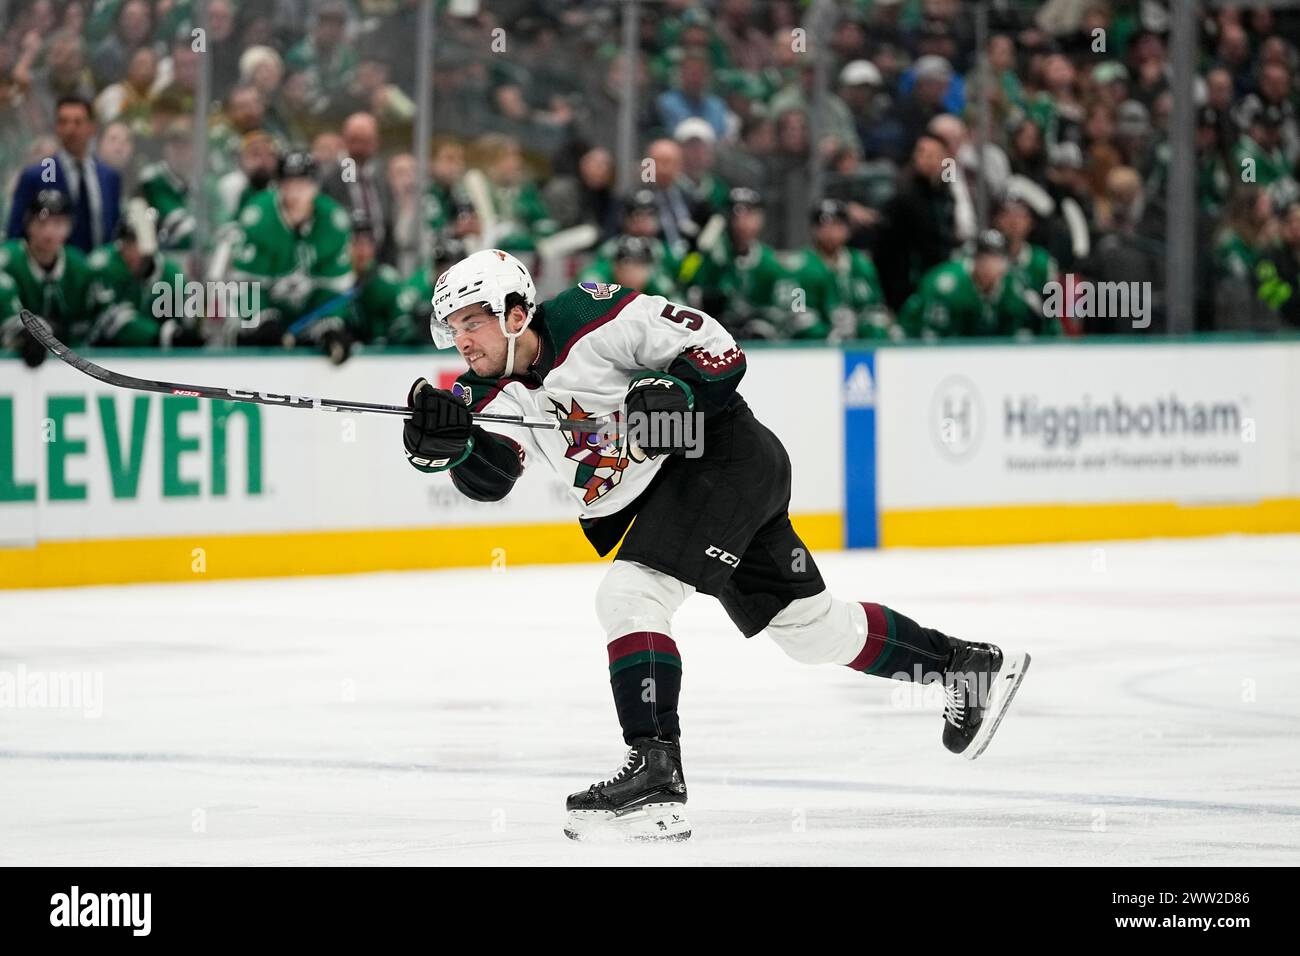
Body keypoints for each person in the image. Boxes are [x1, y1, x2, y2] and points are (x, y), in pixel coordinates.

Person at [400, 249, 1032, 841]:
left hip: (721, 460)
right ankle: (962, 666)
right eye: (452, 328)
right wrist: (447, 447)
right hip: (692, 491)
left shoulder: (590, 315)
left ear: (516, 315)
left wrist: (675, 394)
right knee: (813, 631)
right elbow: (492, 477)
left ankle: (655, 775)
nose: (462, 340)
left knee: (631, 594)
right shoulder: (481, 391)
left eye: (473, 323)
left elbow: (717, 348)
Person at [6, 96, 121, 253]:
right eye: (63, 122)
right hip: (54, 272)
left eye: (77, 122)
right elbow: (15, 233)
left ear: (92, 128)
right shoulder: (36, 176)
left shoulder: (109, 177)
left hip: (99, 270)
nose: (70, 129)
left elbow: (114, 230)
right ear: (56, 128)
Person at [0, 190, 92, 366]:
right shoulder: (6, 260)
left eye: (58, 223)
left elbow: (85, 328)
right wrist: (26, 332)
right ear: (28, 225)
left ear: (69, 227)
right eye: (42, 223)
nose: (49, 232)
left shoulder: (79, 266)